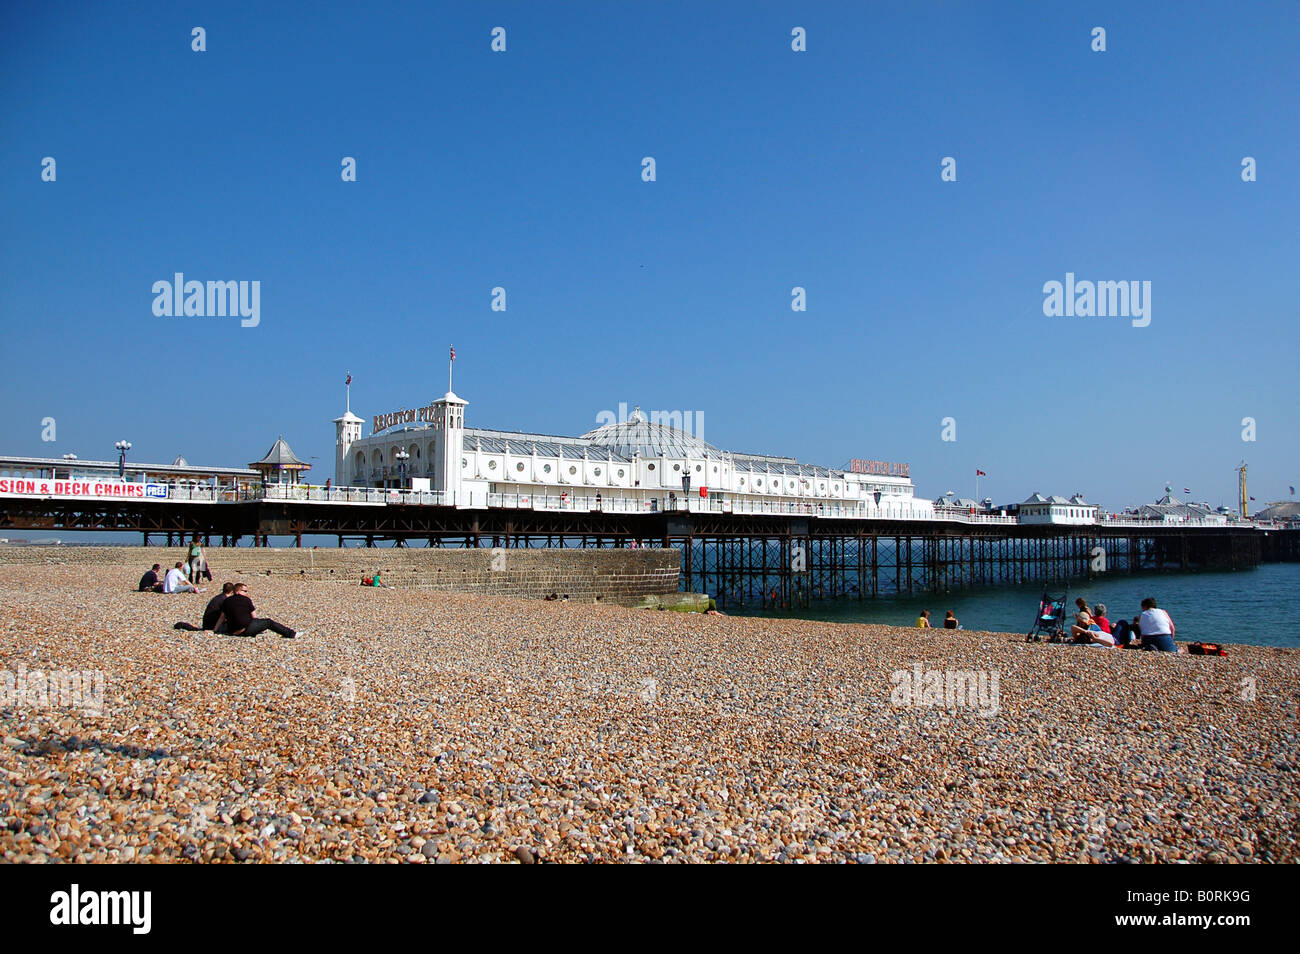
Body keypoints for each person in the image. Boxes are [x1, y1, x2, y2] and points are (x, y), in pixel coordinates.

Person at [214, 582, 300, 639]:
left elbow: (222, 617)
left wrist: (215, 630)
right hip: (245, 630)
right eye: (245, 591)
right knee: (268, 622)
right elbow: (254, 617)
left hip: (232, 631)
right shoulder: (246, 600)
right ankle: (292, 634)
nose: (246, 593)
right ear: (238, 591)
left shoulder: (226, 600)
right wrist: (259, 627)